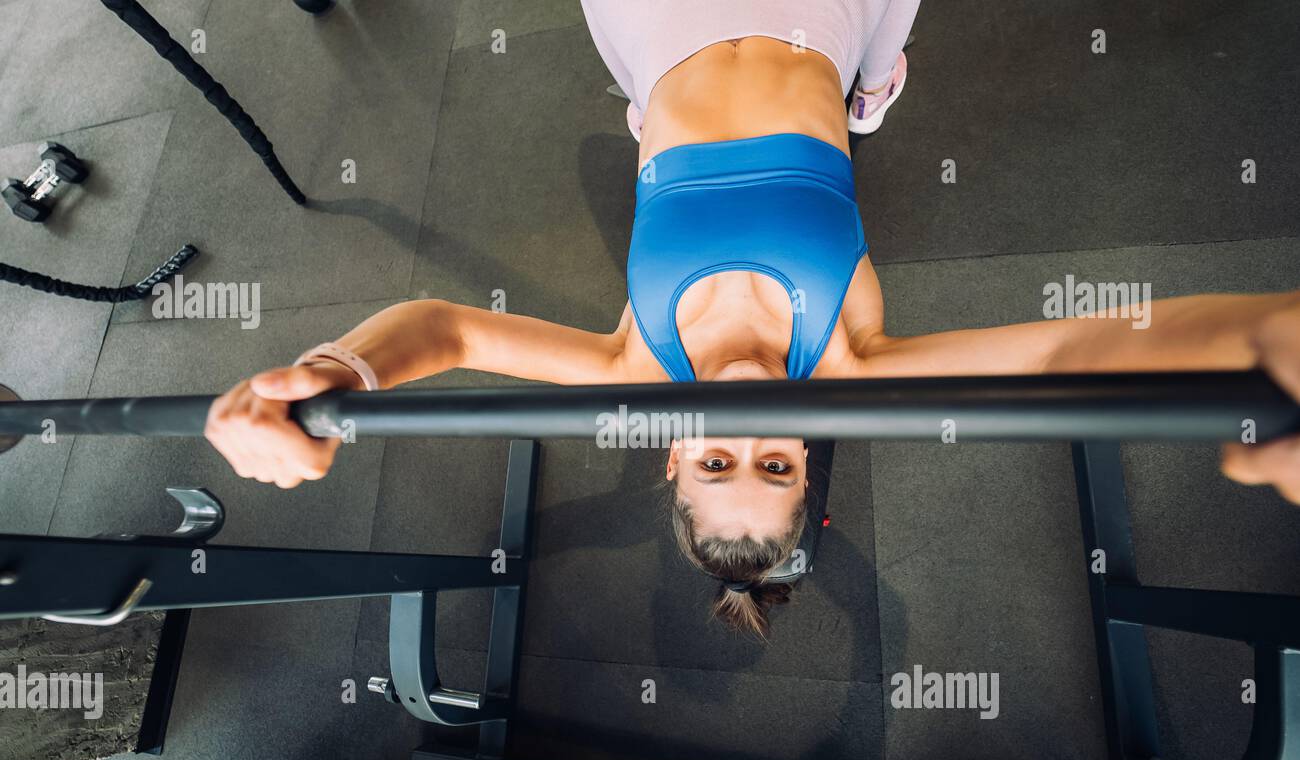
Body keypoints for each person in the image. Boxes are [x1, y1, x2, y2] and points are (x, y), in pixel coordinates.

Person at [205, 1, 1300, 636]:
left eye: (716, 461)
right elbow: (1069, 349)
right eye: (775, 468)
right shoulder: (853, 368)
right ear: (805, 462)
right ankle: (870, 91)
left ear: (667, 459)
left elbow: (444, 331)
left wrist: (336, 367)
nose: (748, 438)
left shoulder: (635, 365)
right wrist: (1254, 338)